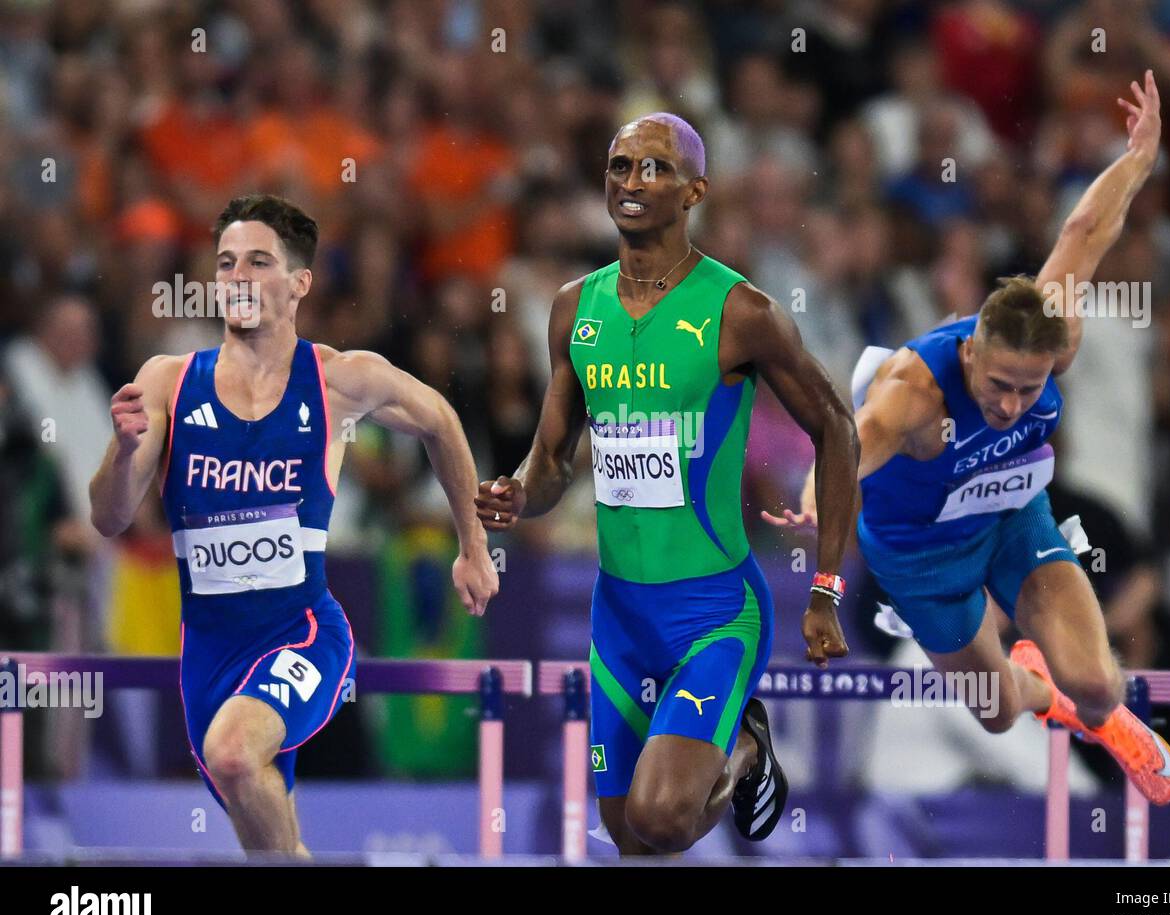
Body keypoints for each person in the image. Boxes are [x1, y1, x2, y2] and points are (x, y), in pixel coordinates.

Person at [769, 73, 1170, 806]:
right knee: (994, 715)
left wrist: (1140, 158)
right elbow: (848, 441)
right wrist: (810, 499)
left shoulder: (1051, 325)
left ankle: (1097, 712)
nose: (1012, 404)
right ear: (971, 356)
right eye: (999, 387)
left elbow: (1084, 231)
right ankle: (1038, 690)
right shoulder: (916, 392)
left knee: (1097, 680)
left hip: (1010, 517)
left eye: (1031, 389)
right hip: (923, 554)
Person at [474, 113, 860, 854]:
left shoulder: (740, 312)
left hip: (714, 613)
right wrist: (521, 495)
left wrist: (826, 587)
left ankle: (746, 746)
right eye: (620, 166)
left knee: (660, 816)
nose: (631, 181)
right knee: (629, 838)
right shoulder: (573, 310)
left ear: (694, 192)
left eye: (654, 168)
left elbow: (837, 429)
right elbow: (551, 463)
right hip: (617, 617)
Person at [89, 195, 498, 855]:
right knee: (272, 849)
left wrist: (471, 547)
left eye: (257, 261)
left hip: (303, 634)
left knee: (231, 752)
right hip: (209, 658)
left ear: (299, 283)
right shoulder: (167, 384)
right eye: (226, 263)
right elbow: (108, 518)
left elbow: (440, 421)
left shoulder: (338, 379)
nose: (238, 277)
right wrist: (126, 449)